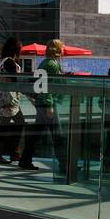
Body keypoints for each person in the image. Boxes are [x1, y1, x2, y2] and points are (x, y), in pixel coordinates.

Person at [37, 38, 70, 178]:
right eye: (62, 47)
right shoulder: (52, 64)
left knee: (38, 131)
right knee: (58, 135)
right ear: (57, 49)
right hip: (48, 104)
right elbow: (45, 86)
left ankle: (25, 158)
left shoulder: (47, 62)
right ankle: (64, 165)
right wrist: (49, 105)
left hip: (43, 102)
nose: (63, 49)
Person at [0, 36, 24, 166]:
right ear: (15, 50)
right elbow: (15, 80)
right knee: (20, 123)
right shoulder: (10, 62)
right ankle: (14, 152)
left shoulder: (2, 61)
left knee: (4, 127)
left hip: (1, 97)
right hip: (9, 98)